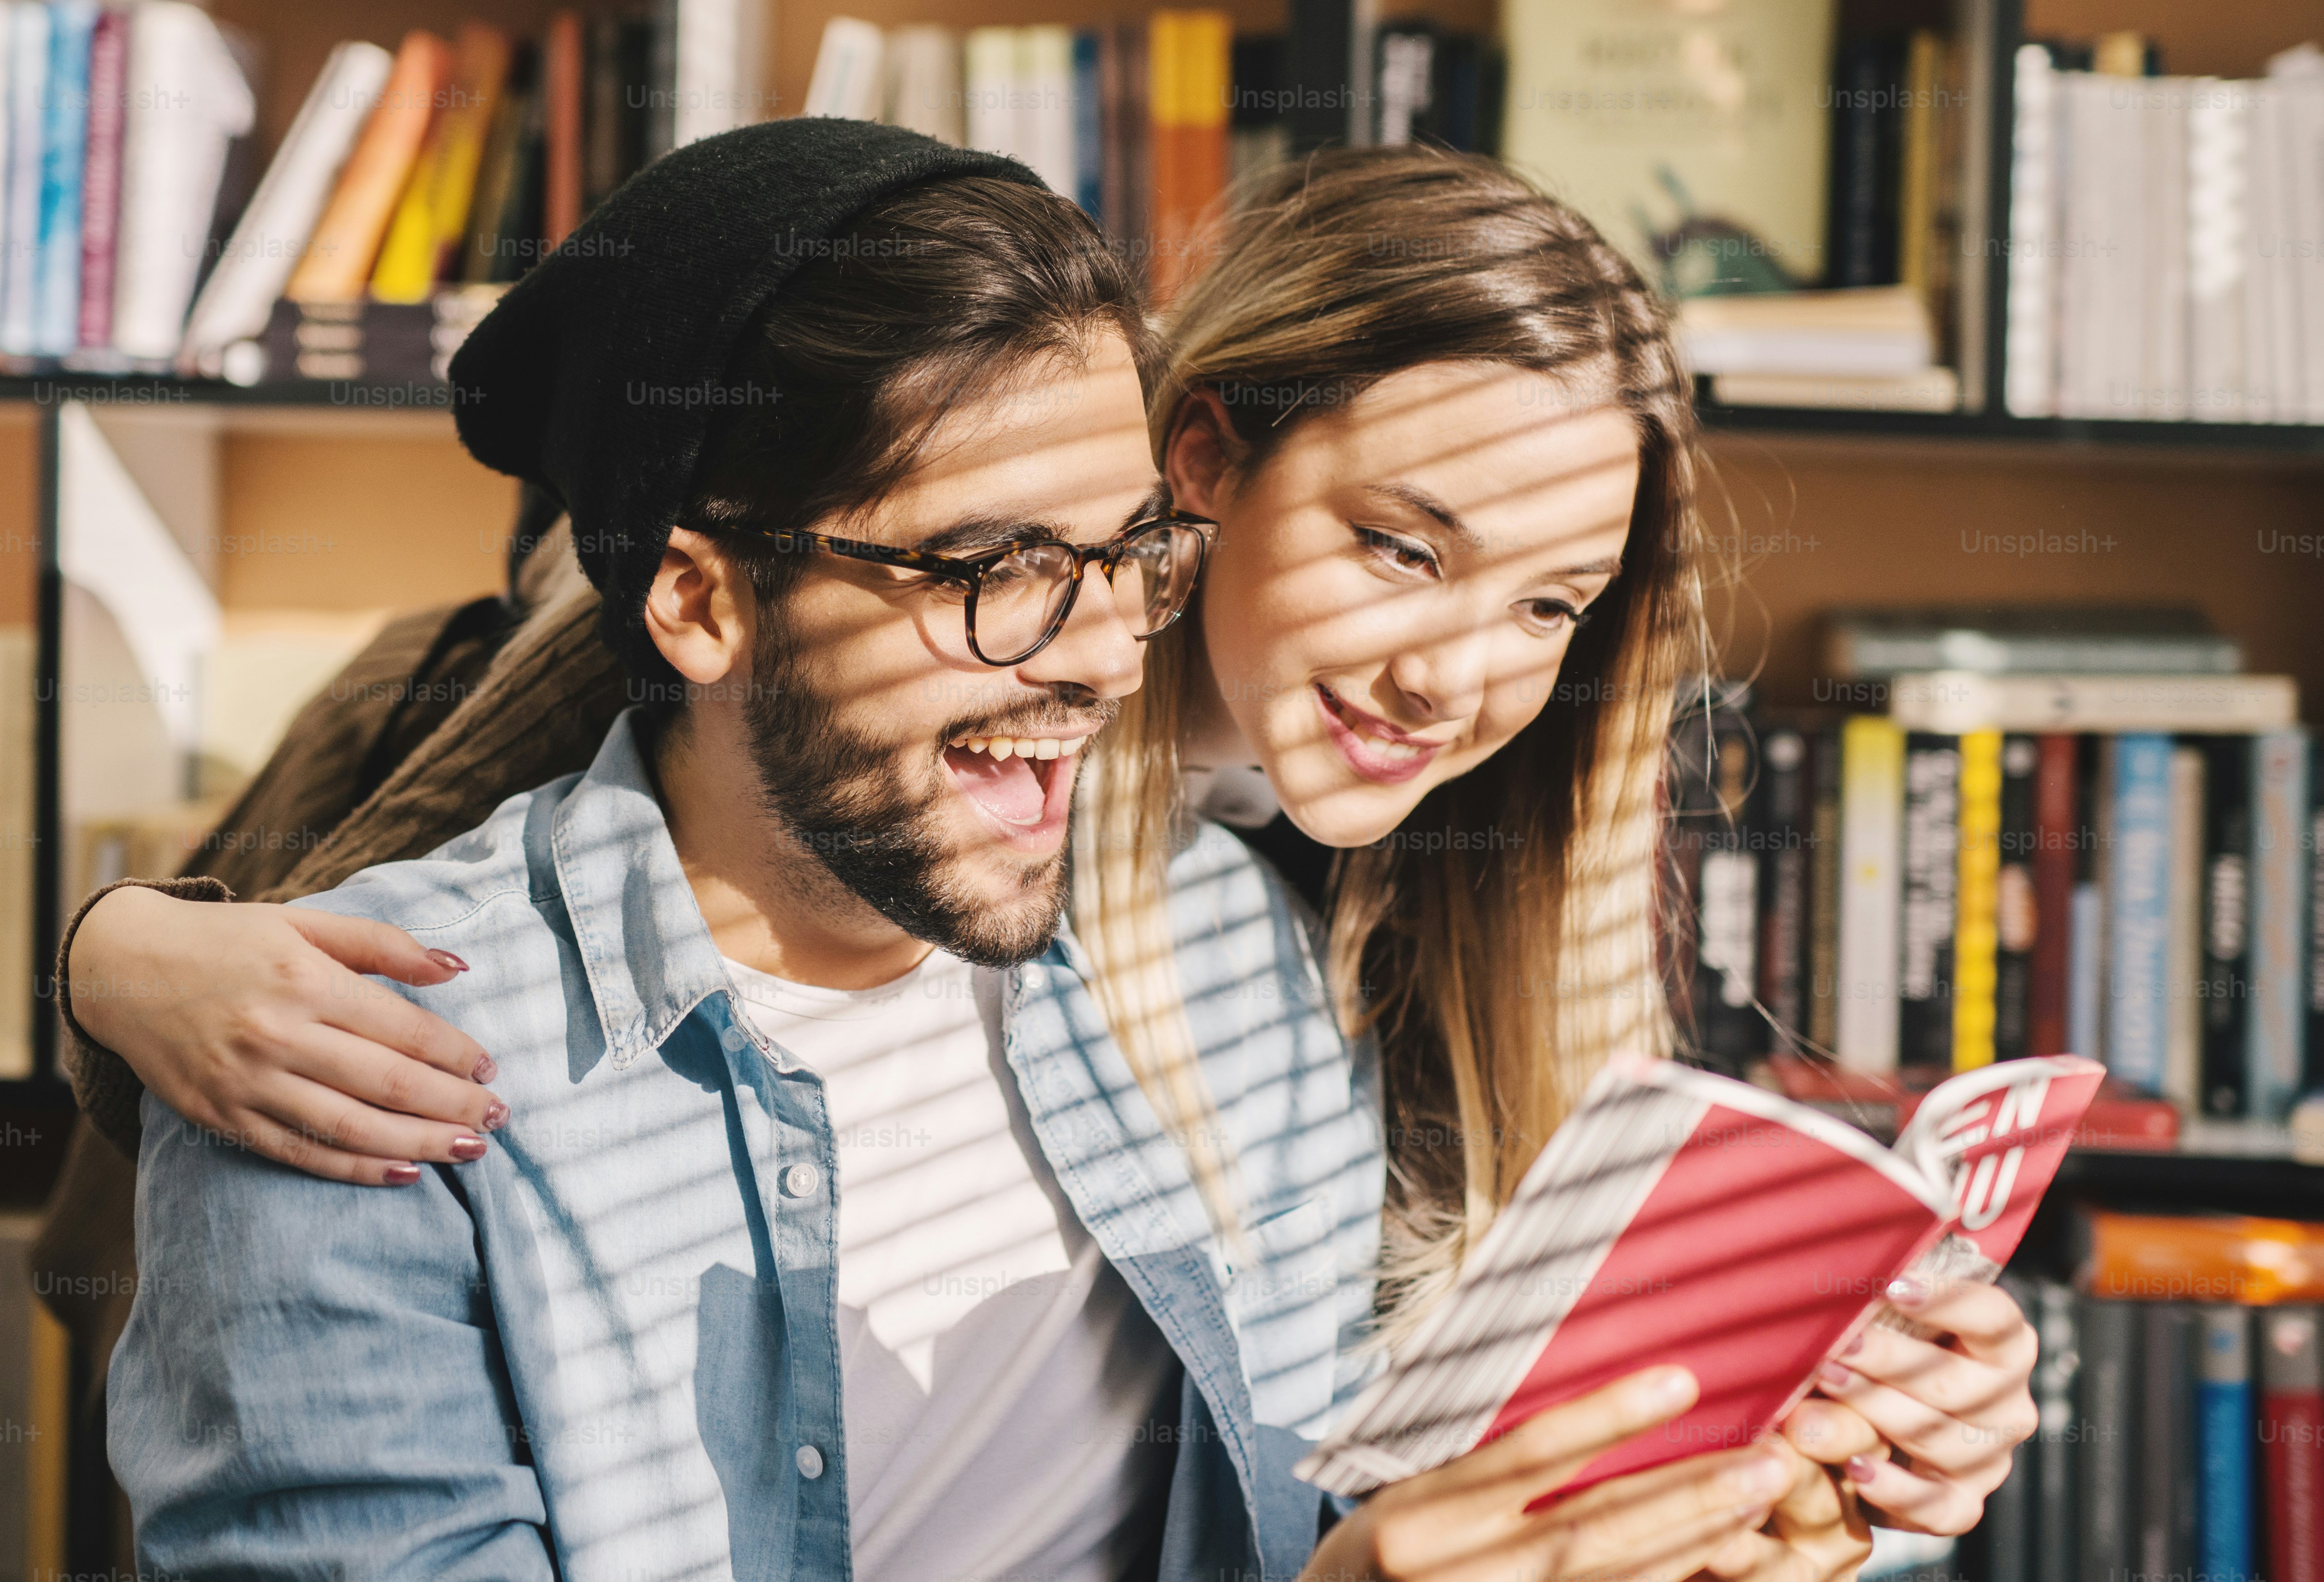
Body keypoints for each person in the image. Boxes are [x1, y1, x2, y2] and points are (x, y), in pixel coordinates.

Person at [106, 121, 1864, 1582]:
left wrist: (1799, 1452)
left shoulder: (1227, 930)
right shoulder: (369, 1049)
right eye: (994, 573)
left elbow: (1365, 1471)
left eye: (1124, 564)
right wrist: (119, 952)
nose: (1099, 651)